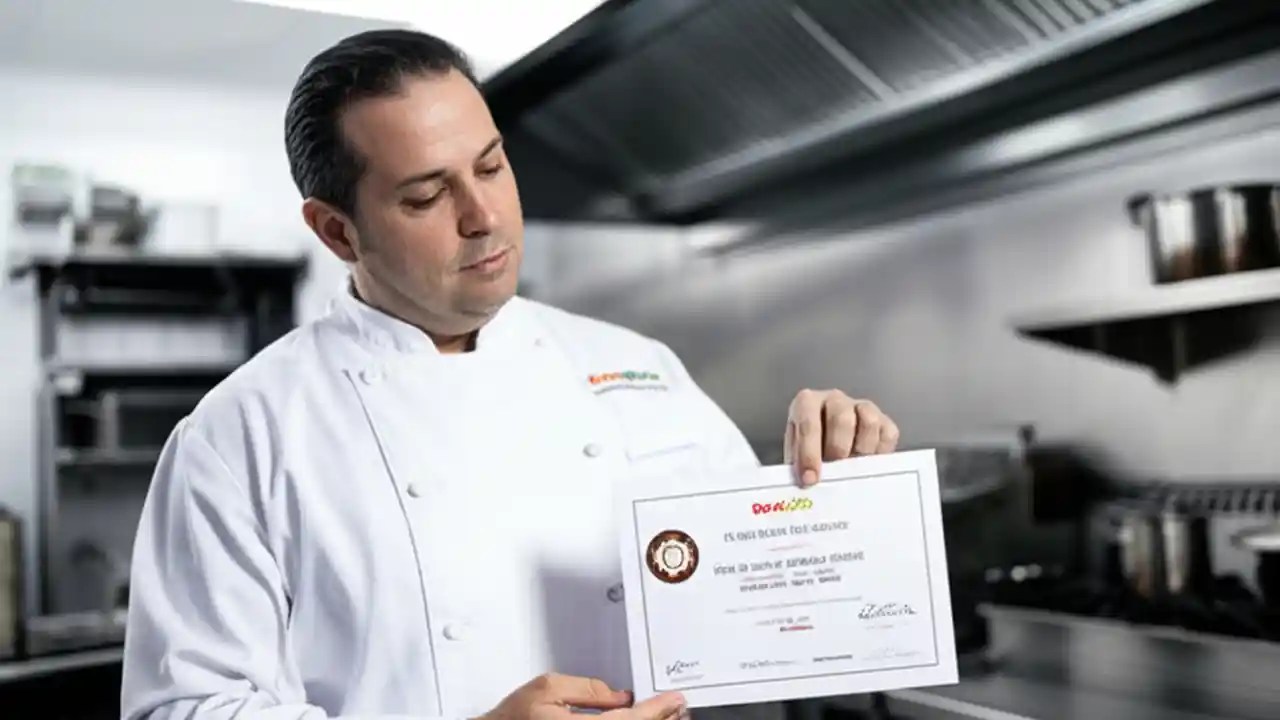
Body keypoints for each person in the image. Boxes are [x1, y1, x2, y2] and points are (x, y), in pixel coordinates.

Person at [120, 29, 901, 720]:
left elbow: (766, 606)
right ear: (336, 231)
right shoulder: (242, 436)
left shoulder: (635, 366)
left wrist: (831, 487)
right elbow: (188, 709)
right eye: (427, 195)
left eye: (491, 166)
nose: (483, 214)